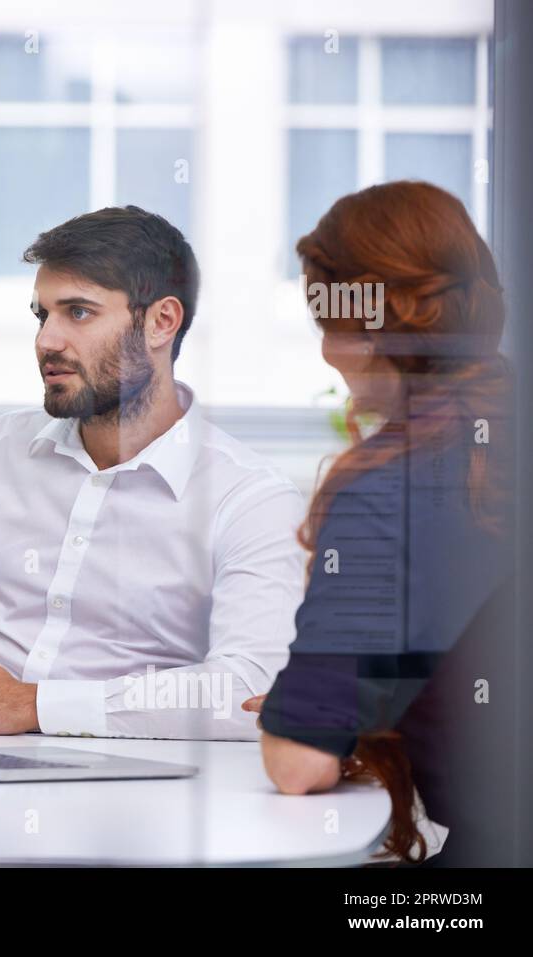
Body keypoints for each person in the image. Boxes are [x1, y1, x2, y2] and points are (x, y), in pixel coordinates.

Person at [0, 206, 306, 739]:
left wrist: (32, 707)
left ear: (161, 322)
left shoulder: (250, 499)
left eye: (77, 313)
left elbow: (249, 689)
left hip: (130, 786)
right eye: (42, 315)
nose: (47, 340)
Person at [249, 181, 517, 866]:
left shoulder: (387, 488)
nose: (325, 354)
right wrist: (332, 689)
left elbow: (299, 764)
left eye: (326, 325)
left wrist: (305, 713)